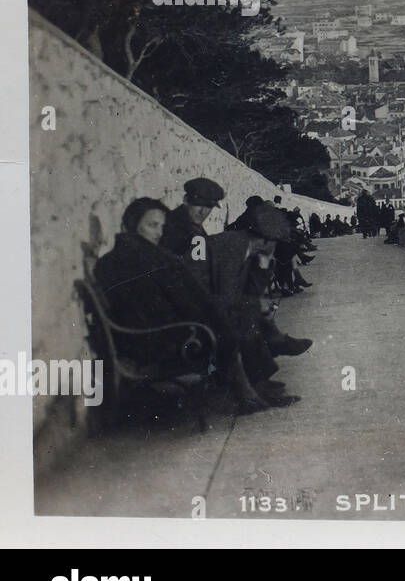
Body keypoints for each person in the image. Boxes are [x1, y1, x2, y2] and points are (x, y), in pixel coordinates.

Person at [95, 198, 285, 413]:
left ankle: (253, 387)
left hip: (137, 339)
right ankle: (250, 391)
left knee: (235, 314)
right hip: (162, 342)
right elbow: (191, 302)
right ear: (131, 224)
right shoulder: (156, 260)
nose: (158, 232)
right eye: (152, 225)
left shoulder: (108, 261)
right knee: (233, 320)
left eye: (162, 226)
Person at [207, 204, 313, 362]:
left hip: (210, 299)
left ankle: (272, 350)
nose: (274, 248)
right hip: (196, 304)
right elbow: (229, 295)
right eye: (274, 244)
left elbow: (250, 290)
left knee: (252, 307)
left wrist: (263, 265)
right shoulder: (233, 248)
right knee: (247, 312)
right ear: (265, 240)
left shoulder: (247, 248)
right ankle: (274, 345)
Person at [161, 177, 225, 283]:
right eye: (198, 204)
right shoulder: (170, 225)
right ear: (186, 200)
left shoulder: (197, 231)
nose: (202, 211)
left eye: (208, 206)